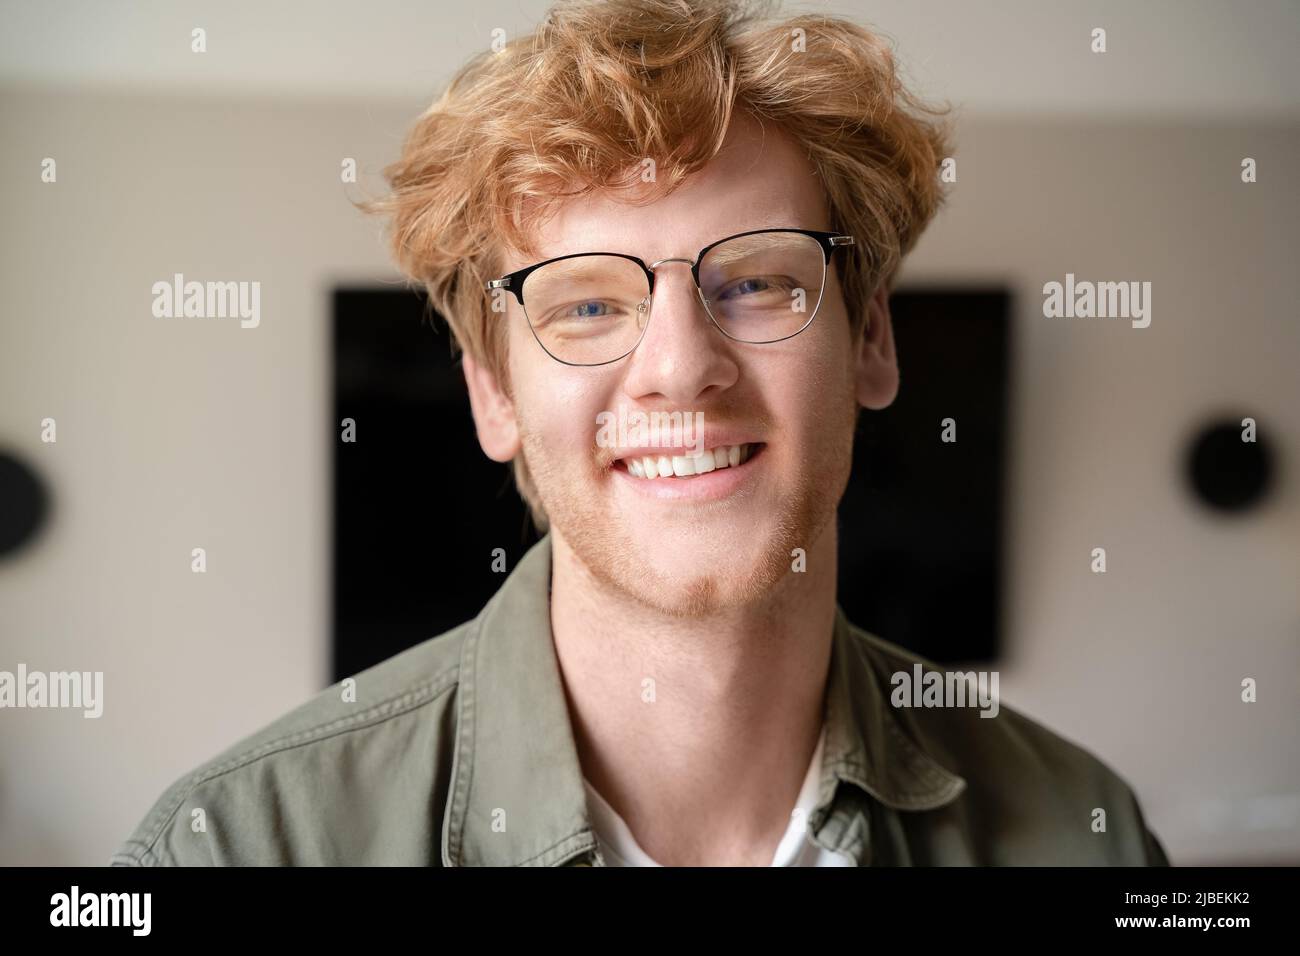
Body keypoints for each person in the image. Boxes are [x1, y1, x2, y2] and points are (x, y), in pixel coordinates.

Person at [112, 0, 1168, 867]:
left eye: (756, 281)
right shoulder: (236, 848)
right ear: (494, 395)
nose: (680, 366)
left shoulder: (1086, 834)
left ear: (871, 341)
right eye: (584, 305)